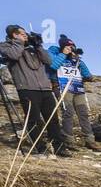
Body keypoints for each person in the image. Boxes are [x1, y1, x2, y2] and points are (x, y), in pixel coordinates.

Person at [1, 26, 70, 156]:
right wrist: (20, 43)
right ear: (14, 35)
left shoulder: (32, 48)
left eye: (26, 34)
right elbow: (14, 55)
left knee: (52, 119)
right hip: (27, 88)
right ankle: (39, 148)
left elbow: (49, 61)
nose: (26, 35)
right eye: (22, 34)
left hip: (44, 88)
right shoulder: (6, 46)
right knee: (34, 120)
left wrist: (38, 45)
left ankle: (59, 147)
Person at [46, 35, 100, 151]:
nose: (71, 49)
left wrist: (78, 60)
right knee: (68, 112)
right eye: (68, 47)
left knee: (83, 113)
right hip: (62, 86)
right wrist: (64, 54)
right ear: (62, 47)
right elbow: (53, 66)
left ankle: (90, 140)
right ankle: (69, 140)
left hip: (77, 88)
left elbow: (87, 75)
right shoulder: (54, 53)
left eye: (72, 47)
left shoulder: (75, 59)